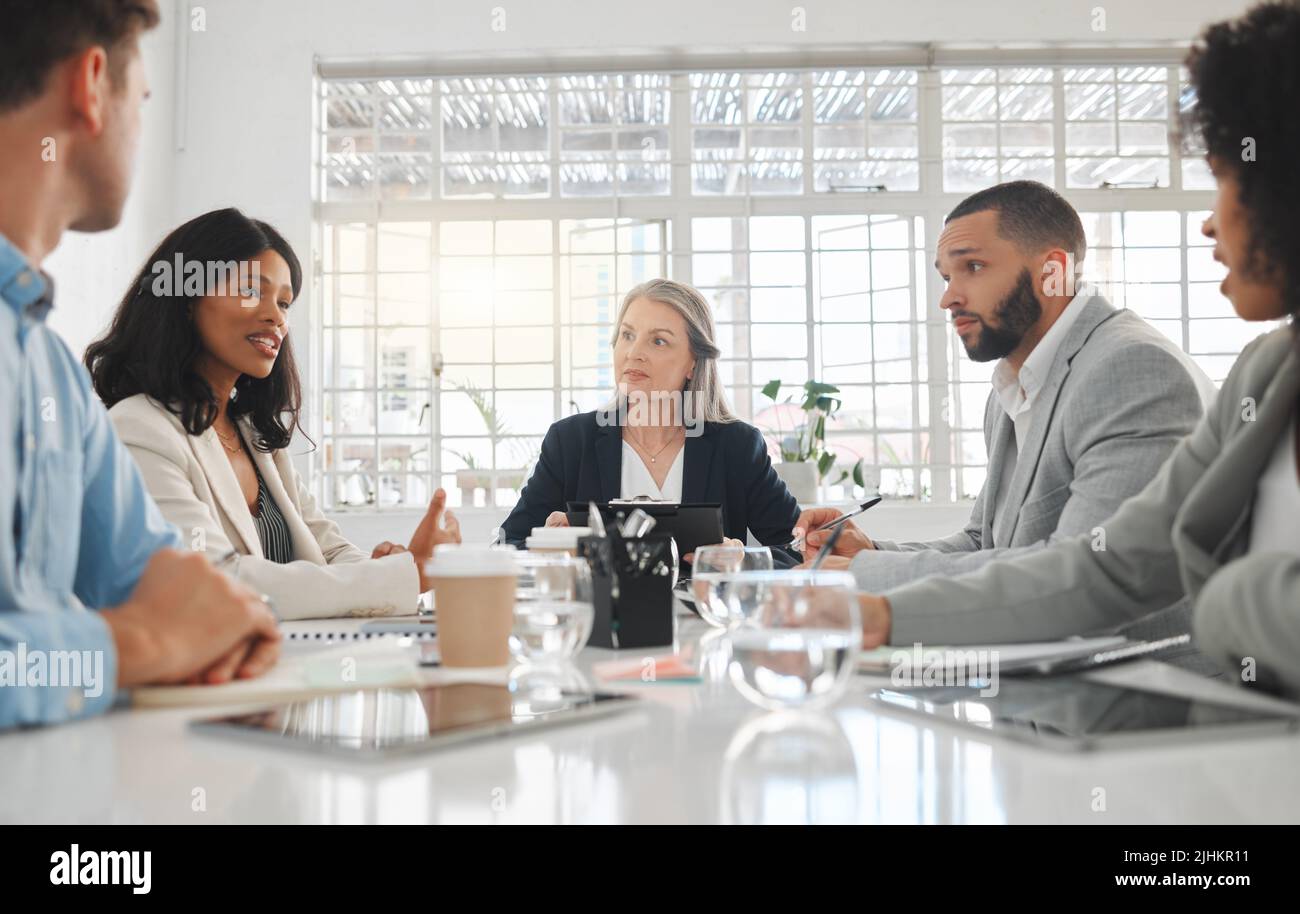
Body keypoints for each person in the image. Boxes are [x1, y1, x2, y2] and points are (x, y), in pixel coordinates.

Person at [851, 0, 1300, 697]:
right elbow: (1111, 567)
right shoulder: (1265, 372)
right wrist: (873, 606)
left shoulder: (1129, 367)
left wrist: (1225, 595)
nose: (1210, 221)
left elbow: (1142, 589)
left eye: (1225, 177)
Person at [0, 0, 279, 729]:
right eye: (143, 100)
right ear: (92, 85)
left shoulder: (49, 370)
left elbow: (166, 583)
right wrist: (135, 645)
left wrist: (226, 624)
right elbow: (154, 623)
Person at [795, 180, 1214, 610]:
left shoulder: (1132, 369)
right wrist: (870, 555)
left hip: (1132, 668)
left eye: (973, 267)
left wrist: (864, 576)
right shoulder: (1010, 388)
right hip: (1046, 660)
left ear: (1053, 271)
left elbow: (1082, 576)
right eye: (945, 276)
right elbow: (988, 543)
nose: (948, 298)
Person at [85, 208, 462, 619]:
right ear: (187, 299)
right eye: (252, 291)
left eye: (284, 302)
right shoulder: (138, 431)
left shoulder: (254, 436)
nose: (276, 317)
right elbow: (217, 583)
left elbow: (329, 550)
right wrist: (403, 576)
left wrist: (392, 568)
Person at [501, 278, 801, 565]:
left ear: (693, 362)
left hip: (703, 616)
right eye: (627, 335)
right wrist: (552, 549)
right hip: (601, 616)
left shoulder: (738, 446)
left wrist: (744, 559)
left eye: (658, 341)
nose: (634, 353)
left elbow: (799, 548)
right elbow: (510, 543)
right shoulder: (570, 442)